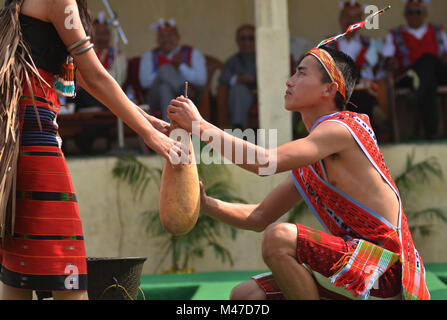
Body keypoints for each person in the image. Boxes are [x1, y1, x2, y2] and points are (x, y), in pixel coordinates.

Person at [167, 43, 430, 299]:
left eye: (301, 73)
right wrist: (205, 204)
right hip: (353, 266)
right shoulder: (314, 154)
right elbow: (259, 216)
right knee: (246, 295)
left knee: (279, 237)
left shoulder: (342, 129)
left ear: (329, 89)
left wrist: (200, 126)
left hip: (383, 273)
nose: (289, 81)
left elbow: (264, 162)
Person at [0, 0, 184, 300]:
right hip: (34, 143)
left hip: (14, 145)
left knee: (18, 277)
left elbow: (83, 76)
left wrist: (145, 118)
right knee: (67, 275)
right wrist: (150, 135)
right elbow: (96, 76)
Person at [383, 0, 447, 140]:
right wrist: (390, 62)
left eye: (418, 11)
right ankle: (432, 133)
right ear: (405, 14)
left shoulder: (437, 30)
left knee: (429, 60)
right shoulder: (395, 34)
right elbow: (388, 58)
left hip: (438, 74)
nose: (414, 15)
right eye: (411, 12)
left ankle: (417, 92)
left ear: (425, 14)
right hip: (408, 76)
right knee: (428, 81)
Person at [139, 18, 207, 122]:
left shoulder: (192, 52)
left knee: (164, 88)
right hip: (155, 99)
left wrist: (180, 66)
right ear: (157, 40)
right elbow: (144, 82)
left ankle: (170, 129)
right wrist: (163, 70)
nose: (166, 39)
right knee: (164, 69)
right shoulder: (149, 56)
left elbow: (201, 80)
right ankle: (183, 91)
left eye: (170, 35)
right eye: (162, 36)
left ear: (178, 37)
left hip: (180, 98)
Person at [327, 1, 381, 127]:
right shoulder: (330, 43)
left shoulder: (369, 43)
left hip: (363, 89)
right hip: (338, 89)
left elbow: (373, 67)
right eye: (347, 16)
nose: (350, 21)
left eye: (355, 17)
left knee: (365, 101)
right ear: (340, 19)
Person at [218, 24, 257, 130]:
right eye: (243, 38)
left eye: (251, 38)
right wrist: (238, 79)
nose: (247, 42)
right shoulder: (233, 60)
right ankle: (239, 130)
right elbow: (222, 78)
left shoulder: (263, 57)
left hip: (260, 95)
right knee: (238, 89)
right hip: (241, 97)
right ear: (238, 41)